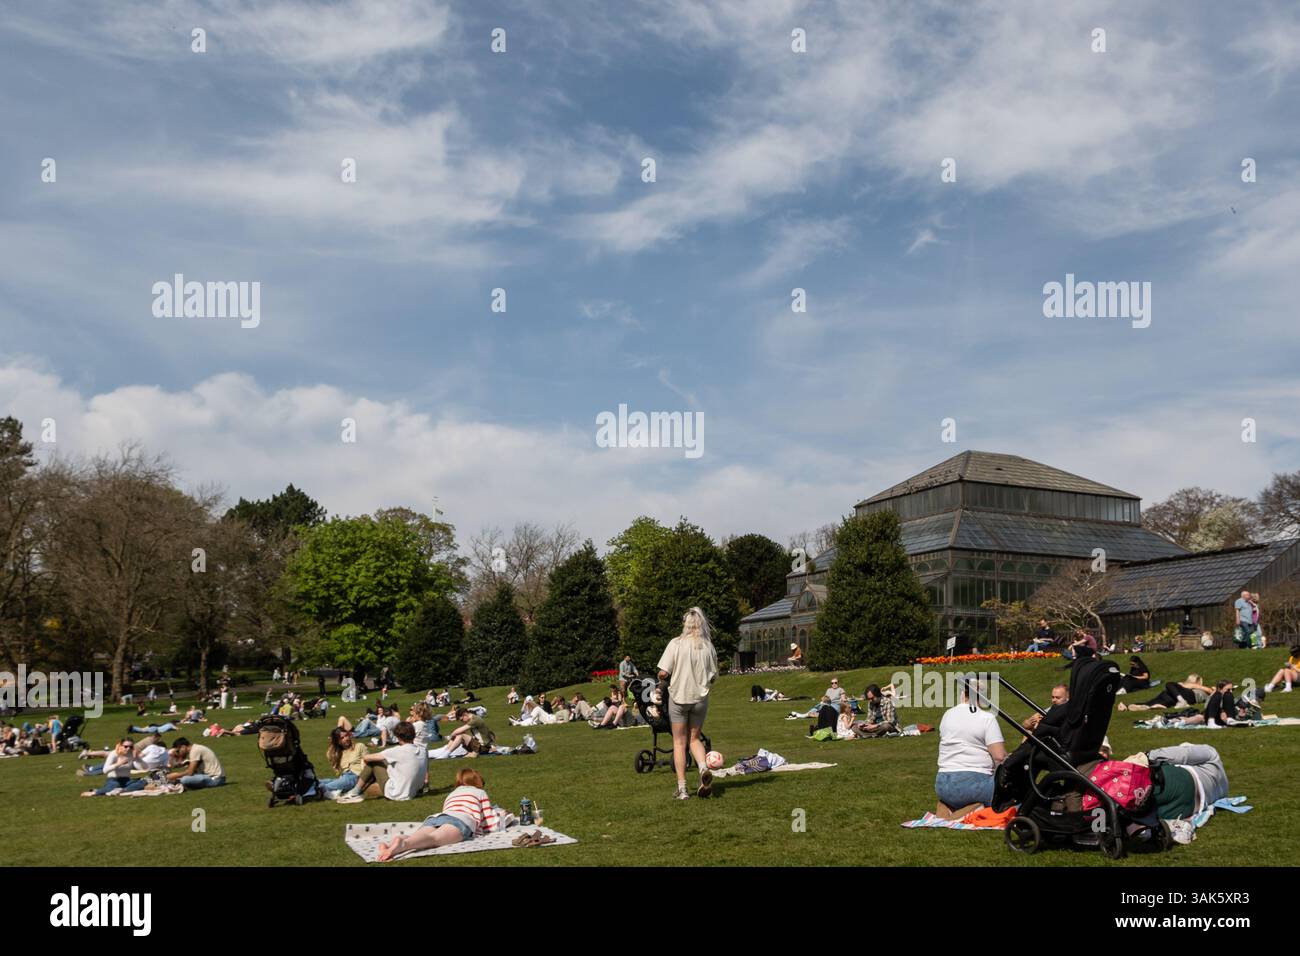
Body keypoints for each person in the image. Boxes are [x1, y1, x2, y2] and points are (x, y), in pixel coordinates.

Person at [656, 606, 719, 800]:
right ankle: (703, 768)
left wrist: (663, 677)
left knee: (679, 742)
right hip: (700, 698)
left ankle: (682, 789)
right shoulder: (708, 646)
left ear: (686, 624)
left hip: (679, 697)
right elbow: (714, 677)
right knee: (695, 739)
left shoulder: (676, 644)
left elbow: (663, 672)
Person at [375, 768, 501, 861]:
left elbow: (447, 809)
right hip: (460, 821)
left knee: (418, 836)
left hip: (437, 817)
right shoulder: (480, 792)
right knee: (433, 839)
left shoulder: (452, 793)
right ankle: (404, 845)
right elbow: (488, 820)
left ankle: (394, 844)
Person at [935, 682, 1006, 813]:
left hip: (942, 784)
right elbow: (999, 756)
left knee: (958, 794)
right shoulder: (986, 718)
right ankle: (973, 807)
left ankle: (949, 806)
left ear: (963, 693)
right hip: (972, 784)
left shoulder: (947, 715)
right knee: (1009, 790)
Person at [336, 721, 426, 803]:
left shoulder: (397, 751)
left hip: (397, 794)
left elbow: (367, 758)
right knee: (386, 762)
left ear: (398, 737)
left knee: (374, 763)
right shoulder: (423, 750)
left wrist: (363, 759)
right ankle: (357, 791)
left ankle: (354, 792)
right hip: (413, 792)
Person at [1147, 744, 1230, 821]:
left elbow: (1184, 754)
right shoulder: (1223, 792)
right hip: (1187, 808)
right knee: (1145, 816)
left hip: (1182, 783)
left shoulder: (1211, 752)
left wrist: (1147, 755)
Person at [80, 739, 148, 796]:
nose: (128, 749)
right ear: (121, 746)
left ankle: (122, 790)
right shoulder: (114, 754)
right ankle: (93, 793)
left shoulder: (131, 754)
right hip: (114, 780)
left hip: (126, 780)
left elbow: (145, 767)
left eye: (131, 747)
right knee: (112, 787)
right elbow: (105, 770)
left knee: (143, 782)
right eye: (126, 746)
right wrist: (118, 764)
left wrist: (138, 758)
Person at [1118, 674, 1213, 711]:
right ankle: (1129, 706)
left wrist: (1200, 687)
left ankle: (1181, 702)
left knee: (1169, 684)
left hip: (1189, 697)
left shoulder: (1200, 689)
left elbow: (1211, 690)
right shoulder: (1186, 686)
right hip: (1173, 697)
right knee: (1153, 701)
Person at [320, 727, 368, 798]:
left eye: (347, 735)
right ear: (338, 741)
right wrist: (333, 743)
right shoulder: (339, 753)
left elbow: (369, 763)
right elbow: (329, 754)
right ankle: (334, 792)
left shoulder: (359, 746)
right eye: (342, 738)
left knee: (324, 787)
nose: (346, 738)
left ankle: (328, 793)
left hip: (355, 777)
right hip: (344, 777)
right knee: (318, 782)